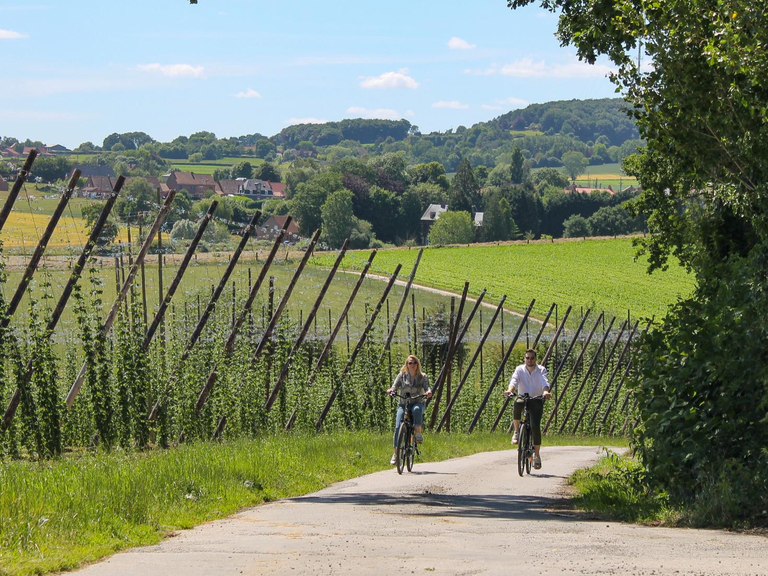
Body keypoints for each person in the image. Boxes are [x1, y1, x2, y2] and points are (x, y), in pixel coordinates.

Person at [503, 348, 551, 469]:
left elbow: (544, 382)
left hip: (536, 399)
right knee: (517, 403)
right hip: (523, 397)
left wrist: (545, 392)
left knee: (535, 426)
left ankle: (537, 456)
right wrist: (510, 390)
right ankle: (516, 432)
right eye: (527, 358)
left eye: (532, 358)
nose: (529, 360)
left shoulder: (541, 370)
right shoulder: (520, 369)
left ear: (536, 359)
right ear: (525, 358)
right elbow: (514, 381)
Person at [386, 354, 433, 466]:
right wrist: (391, 390)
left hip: (417, 402)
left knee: (417, 410)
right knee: (398, 427)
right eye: (410, 363)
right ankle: (396, 455)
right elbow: (395, 386)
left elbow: (427, 387)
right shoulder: (402, 375)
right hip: (403, 403)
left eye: (414, 363)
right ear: (406, 365)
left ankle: (418, 433)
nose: (412, 365)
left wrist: (428, 392)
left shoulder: (423, 376)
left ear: (417, 364)